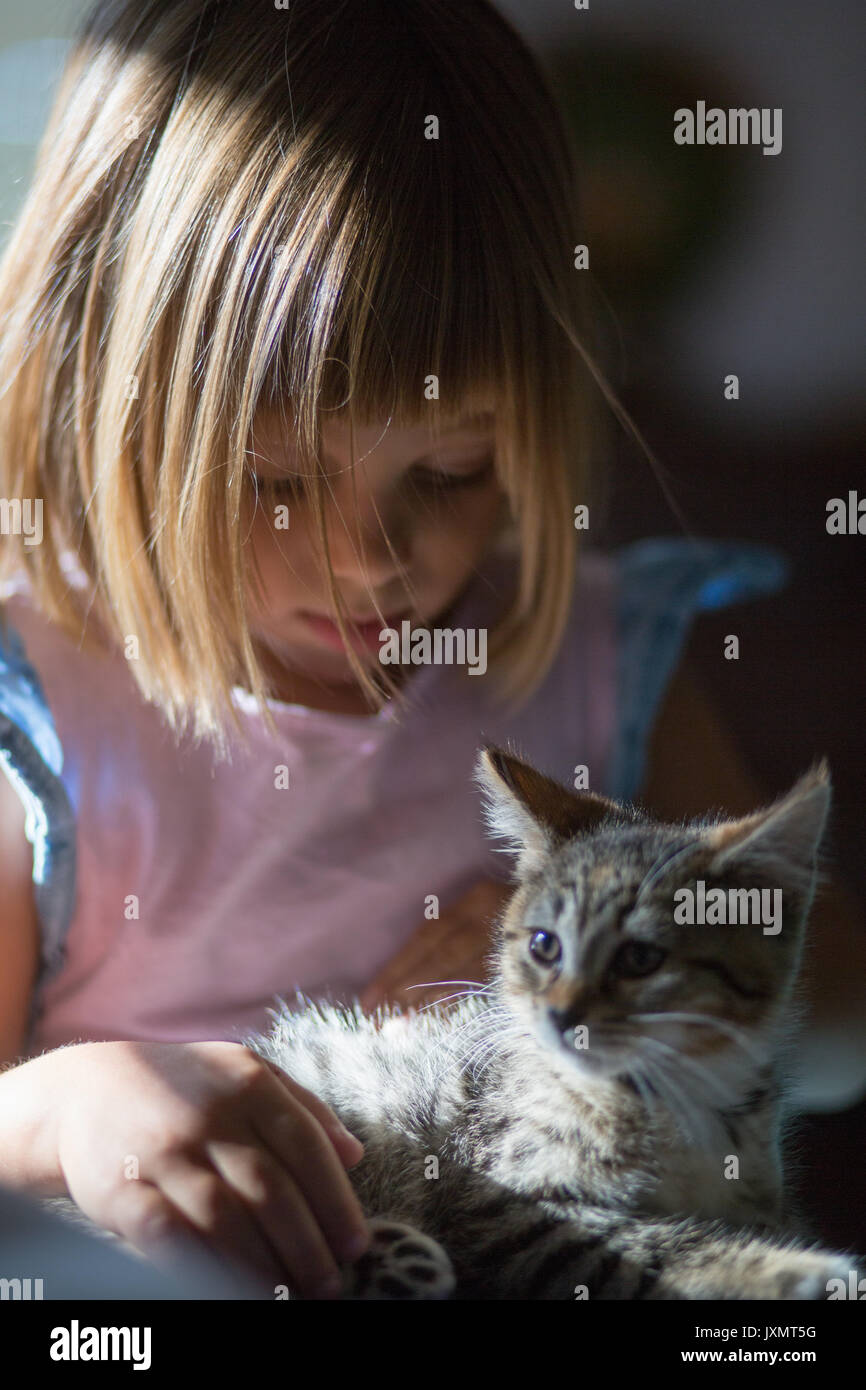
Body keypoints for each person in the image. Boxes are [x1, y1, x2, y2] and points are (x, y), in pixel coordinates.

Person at [0, 0, 863, 1301]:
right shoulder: (48, 711)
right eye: (272, 479)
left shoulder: (589, 666)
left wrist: (627, 975)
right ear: (99, 394)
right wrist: (75, 1110)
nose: (369, 561)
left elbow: (842, 1026)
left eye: (452, 469)